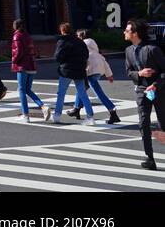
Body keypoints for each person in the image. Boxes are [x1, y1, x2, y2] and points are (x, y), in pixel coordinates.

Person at [124, 19, 165, 170]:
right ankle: (150, 158)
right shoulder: (128, 51)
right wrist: (140, 73)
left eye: (127, 30)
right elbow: (129, 72)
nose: (124, 33)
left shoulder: (152, 49)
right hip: (141, 90)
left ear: (135, 33)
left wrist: (155, 85)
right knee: (143, 124)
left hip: (159, 91)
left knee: (163, 124)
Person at [66, 29, 121, 124]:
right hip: (98, 71)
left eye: (78, 35)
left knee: (98, 92)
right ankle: (76, 109)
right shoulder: (94, 47)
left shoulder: (82, 45)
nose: (77, 37)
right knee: (82, 88)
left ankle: (113, 111)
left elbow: (83, 59)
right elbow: (103, 60)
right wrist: (109, 75)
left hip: (90, 71)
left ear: (82, 36)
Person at [45, 22, 93, 124]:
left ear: (62, 31)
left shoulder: (62, 41)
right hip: (79, 70)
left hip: (66, 70)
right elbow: (86, 55)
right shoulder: (80, 42)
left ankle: (57, 116)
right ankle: (90, 117)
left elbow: (57, 57)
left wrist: (64, 61)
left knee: (61, 94)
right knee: (82, 93)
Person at [11, 19, 43, 121]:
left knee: (21, 90)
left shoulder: (17, 36)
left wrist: (14, 60)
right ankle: (43, 106)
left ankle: (26, 114)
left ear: (15, 26)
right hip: (31, 64)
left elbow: (18, 51)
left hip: (22, 66)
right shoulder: (28, 36)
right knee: (27, 89)